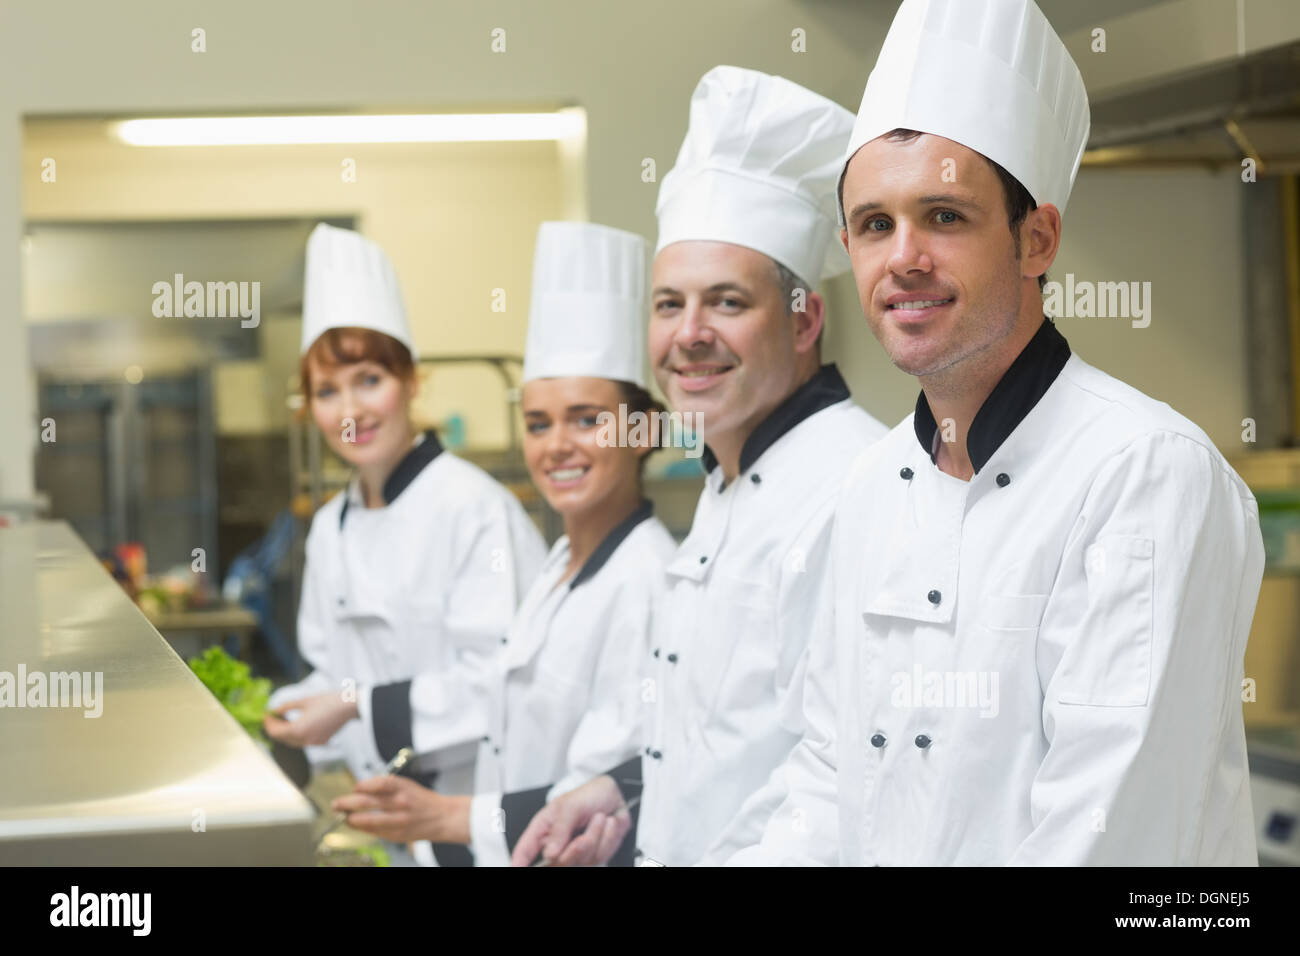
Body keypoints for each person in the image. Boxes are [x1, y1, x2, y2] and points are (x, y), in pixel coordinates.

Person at [728, 0, 1264, 865]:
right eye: (875, 225)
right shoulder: (869, 487)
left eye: (944, 216)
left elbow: (1111, 837)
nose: (903, 257)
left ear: (1037, 238)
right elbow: (830, 775)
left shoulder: (1144, 475)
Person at [510, 67, 890, 867]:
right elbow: (730, 741)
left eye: (726, 301)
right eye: (667, 303)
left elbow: (852, 777)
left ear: (804, 318)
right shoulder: (727, 483)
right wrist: (619, 790)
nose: (688, 335)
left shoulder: (861, 486)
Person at [328, 222, 676, 866]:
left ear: (645, 428)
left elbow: (604, 794)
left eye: (587, 419)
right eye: (538, 424)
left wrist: (445, 817)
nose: (556, 446)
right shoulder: (560, 567)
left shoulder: (648, 580)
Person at [264, 223, 546, 866]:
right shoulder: (332, 526)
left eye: (368, 380)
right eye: (327, 391)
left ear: (411, 381)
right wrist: (278, 719)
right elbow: (332, 673)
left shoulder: (473, 509)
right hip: (389, 822)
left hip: (484, 822)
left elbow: (497, 682)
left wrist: (349, 706)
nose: (349, 411)